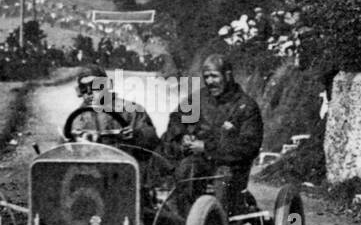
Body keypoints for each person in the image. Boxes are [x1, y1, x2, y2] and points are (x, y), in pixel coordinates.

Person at [160, 53, 263, 215]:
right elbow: (175, 124)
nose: (209, 82)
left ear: (228, 75)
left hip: (230, 168)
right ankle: (182, 220)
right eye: (206, 77)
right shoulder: (197, 100)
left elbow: (248, 147)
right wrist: (182, 138)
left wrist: (207, 147)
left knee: (223, 177)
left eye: (214, 76)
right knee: (186, 168)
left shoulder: (245, 106)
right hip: (198, 164)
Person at [66, 64, 158, 161]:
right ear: (79, 91)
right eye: (84, 88)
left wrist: (136, 134)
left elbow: (152, 146)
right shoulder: (76, 118)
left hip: (122, 167)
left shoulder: (131, 111)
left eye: (96, 86)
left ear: (107, 85)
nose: (89, 93)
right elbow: (64, 152)